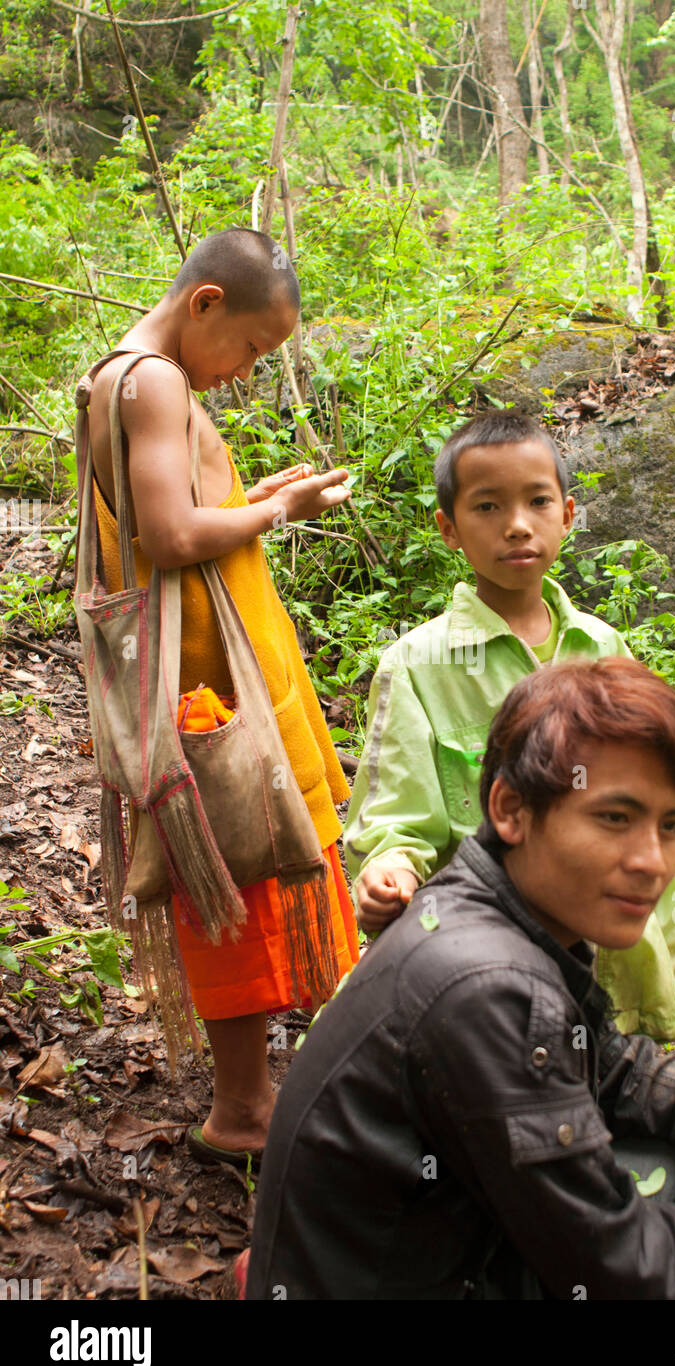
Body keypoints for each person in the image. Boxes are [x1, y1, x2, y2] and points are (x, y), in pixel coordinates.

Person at [248, 659, 675, 1300]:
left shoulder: (494, 907)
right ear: (511, 809)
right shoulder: (487, 986)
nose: (652, 862)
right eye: (614, 818)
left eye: (671, 825)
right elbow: (618, 1272)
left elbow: (618, 1073)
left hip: (427, 1247)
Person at [82, 227, 358, 1162]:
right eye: (249, 348)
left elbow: (193, 513)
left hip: (213, 664)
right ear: (205, 304)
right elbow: (167, 536)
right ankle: (244, 1110)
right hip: (206, 677)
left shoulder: (125, 374)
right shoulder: (154, 379)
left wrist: (260, 495)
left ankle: (267, 1092)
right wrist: (282, 510)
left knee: (246, 865)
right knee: (239, 869)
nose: (245, 371)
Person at [344, 409, 675, 1039]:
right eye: (486, 507)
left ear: (566, 514)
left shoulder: (604, 646)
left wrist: (667, 955)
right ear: (448, 529)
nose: (516, 526)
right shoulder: (418, 664)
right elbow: (395, 813)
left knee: (609, 1079)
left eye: (537, 501)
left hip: (605, 938)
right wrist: (390, 869)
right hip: (478, 944)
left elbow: (656, 806)